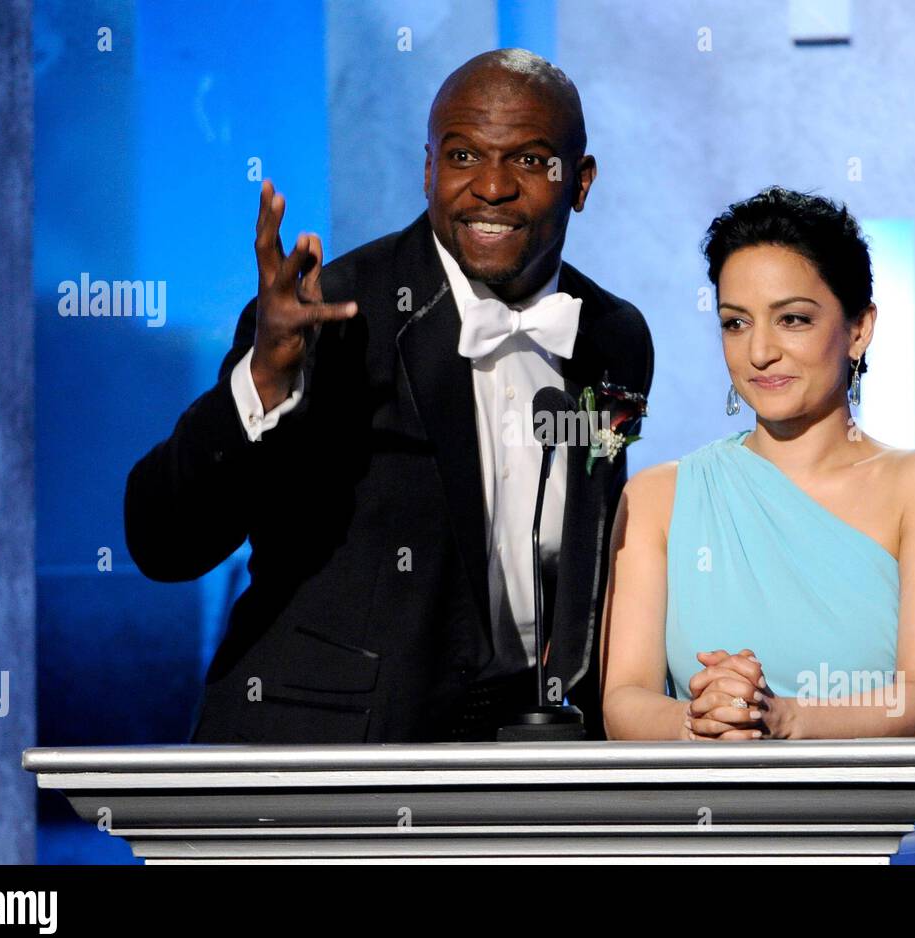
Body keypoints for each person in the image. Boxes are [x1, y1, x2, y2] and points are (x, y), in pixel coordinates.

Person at [124, 49, 653, 743]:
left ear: (579, 182)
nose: (490, 187)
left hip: (524, 772)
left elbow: (584, 567)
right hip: (323, 762)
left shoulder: (614, 335)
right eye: (462, 156)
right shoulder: (334, 315)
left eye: (528, 161)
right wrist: (262, 381)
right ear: (428, 169)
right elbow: (165, 543)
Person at [600, 187, 915, 741]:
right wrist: (696, 720)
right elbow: (623, 700)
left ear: (859, 329)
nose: (759, 352)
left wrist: (787, 718)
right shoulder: (659, 496)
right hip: (698, 820)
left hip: (869, 819)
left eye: (792, 319)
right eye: (736, 322)